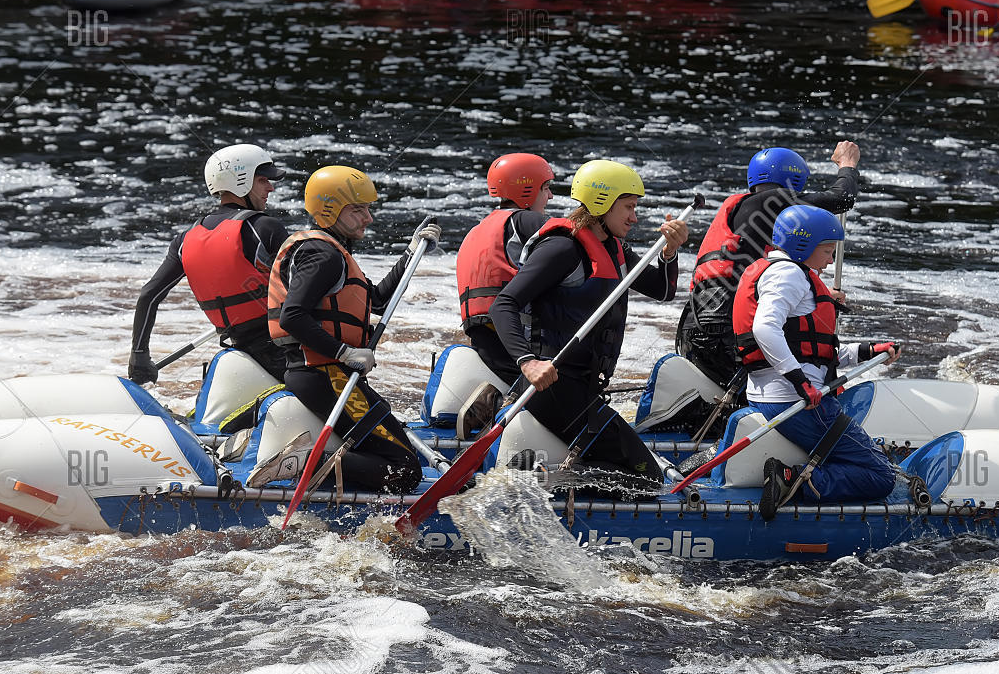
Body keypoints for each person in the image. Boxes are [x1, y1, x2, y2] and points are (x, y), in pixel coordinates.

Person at [486, 160, 690, 484]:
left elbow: (662, 290)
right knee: (649, 479)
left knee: (643, 474)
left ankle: (556, 476)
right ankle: (545, 482)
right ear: (602, 204)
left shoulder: (615, 248)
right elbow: (504, 304)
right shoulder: (562, 248)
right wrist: (528, 363)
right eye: (628, 207)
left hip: (582, 390)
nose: (634, 217)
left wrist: (670, 252)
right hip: (553, 388)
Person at [265, 165, 441, 494]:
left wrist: (410, 253)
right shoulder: (323, 256)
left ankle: (325, 478)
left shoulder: (333, 252)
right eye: (359, 210)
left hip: (327, 375)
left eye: (368, 209)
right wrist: (344, 352)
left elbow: (374, 301)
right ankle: (307, 461)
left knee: (395, 451)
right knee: (405, 470)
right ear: (330, 209)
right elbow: (292, 316)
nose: (369, 218)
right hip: (324, 374)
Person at [732, 206, 902, 507]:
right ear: (804, 246)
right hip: (797, 402)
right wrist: (800, 382)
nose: (831, 259)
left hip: (770, 396)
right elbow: (765, 327)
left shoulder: (779, 271)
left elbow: (812, 351)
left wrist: (869, 351)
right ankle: (794, 480)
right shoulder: (789, 274)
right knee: (879, 474)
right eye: (827, 250)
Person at [675, 143, 861, 393]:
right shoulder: (772, 201)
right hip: (724, 336)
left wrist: (822, 299)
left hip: (695, 331)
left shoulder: (746, 213)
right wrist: (847, 165)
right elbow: (841, 199)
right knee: (809, 358)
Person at [128, 144, 288, 386]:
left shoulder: (185, 239)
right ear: (240, 182)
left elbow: (149, 295)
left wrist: (139, 356)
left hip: (236, 349)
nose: (270, 187)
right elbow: (306, 289)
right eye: (263, 180)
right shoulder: (264, 227)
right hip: (281, 353)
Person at [456, 153, 557, 386]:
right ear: (528, 190)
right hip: (516, 339)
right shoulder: (525, 221)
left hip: (485, 341)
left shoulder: (475, 230)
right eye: (546, 188)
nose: (550, 196)